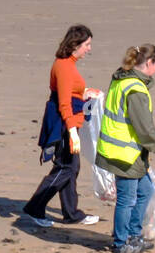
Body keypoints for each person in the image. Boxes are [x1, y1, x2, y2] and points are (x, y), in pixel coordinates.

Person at [95, 44, 155, 253]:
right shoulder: (135, 89)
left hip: (127, 151)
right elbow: (144, 130)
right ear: (148, 63)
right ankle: (121, 242)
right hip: (123, 153)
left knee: (146, 191)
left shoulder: (122, 79)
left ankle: (133, 234)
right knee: (127, 198)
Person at [22, 24, 103, 229]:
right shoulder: (65, 66)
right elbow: (64, 102)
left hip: (68, 120)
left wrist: (85, 93)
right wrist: (72, 132)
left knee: (70, 167)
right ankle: (35, 206)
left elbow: (70, 92)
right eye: (87, 44)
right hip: (63, 123)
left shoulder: (68, 63)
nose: (89, 49)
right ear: (75, 44)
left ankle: (71, 213)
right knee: (66, 167)